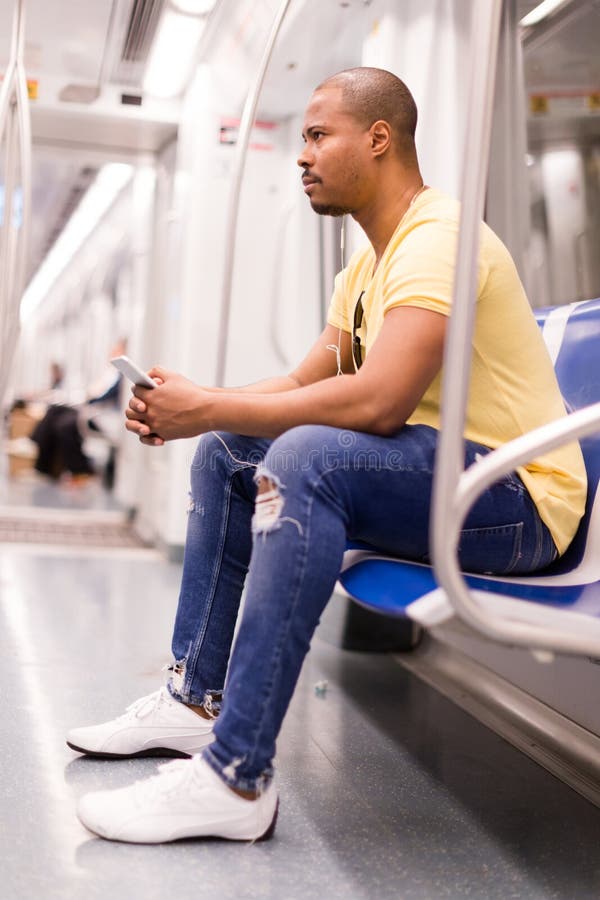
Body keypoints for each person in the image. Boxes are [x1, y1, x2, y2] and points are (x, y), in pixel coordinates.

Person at [70, 67, 586, 844]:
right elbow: (297, 383)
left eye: (318, 136)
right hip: (449, 477)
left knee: (308, 458)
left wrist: (211, 404)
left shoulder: (438, 236)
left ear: (378, 140)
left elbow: (378, 401)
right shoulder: (366, 268)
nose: (302, 155)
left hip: (519, 498)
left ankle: (236, 778)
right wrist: (198, 406)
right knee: (228, 453)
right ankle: (193, 702)